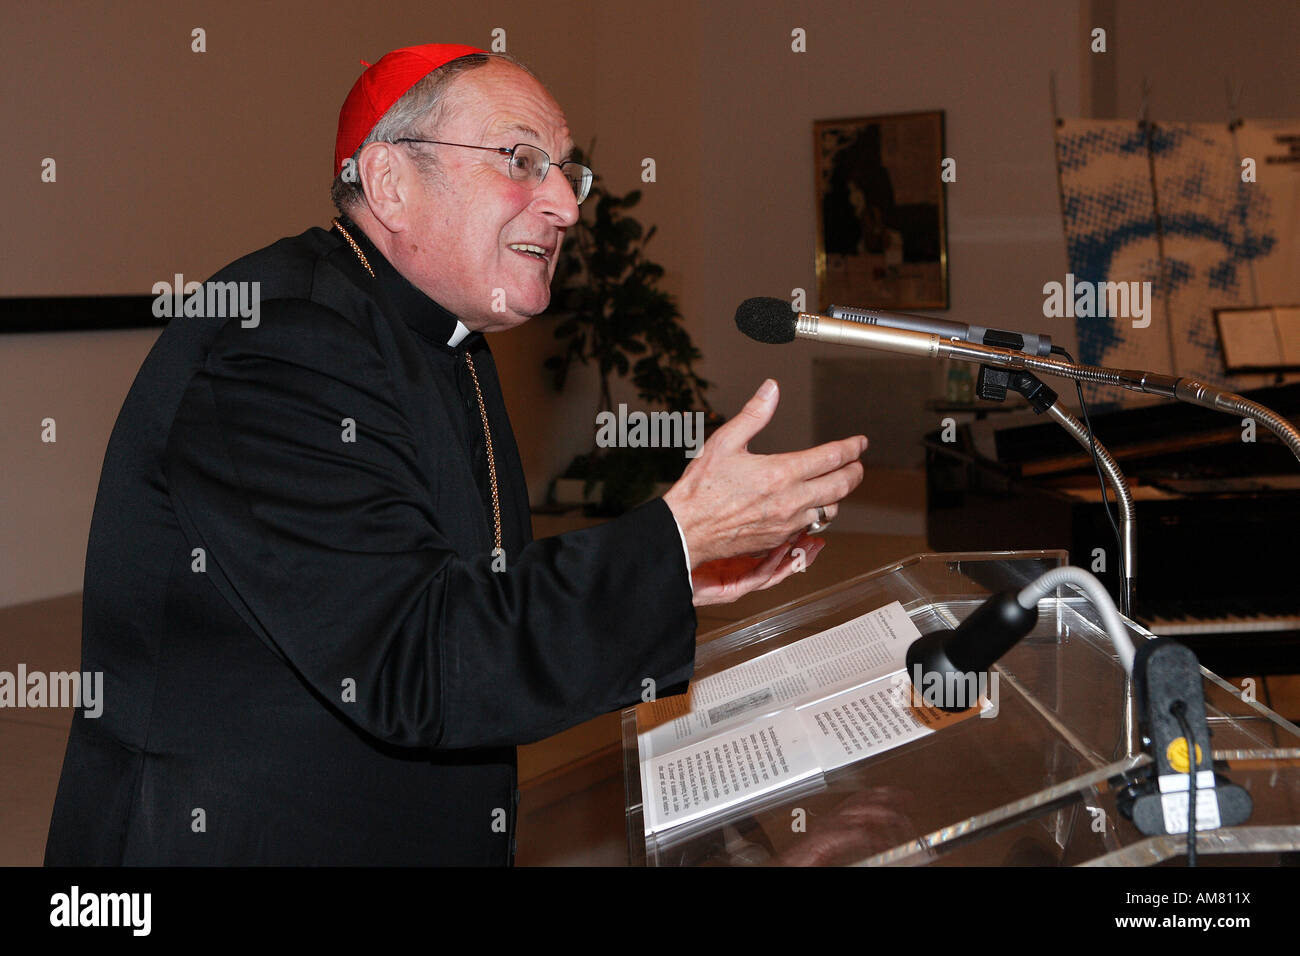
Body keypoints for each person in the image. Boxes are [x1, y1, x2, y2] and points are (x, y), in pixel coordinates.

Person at [44, 44, 867, 865]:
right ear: (392, 182)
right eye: (521, 160)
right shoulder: (282, 340)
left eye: (566, 173)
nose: (565, 206)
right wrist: (674, 539)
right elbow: (412, 654)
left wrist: (673, 571)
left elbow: (468, 605)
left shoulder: (446, 343)